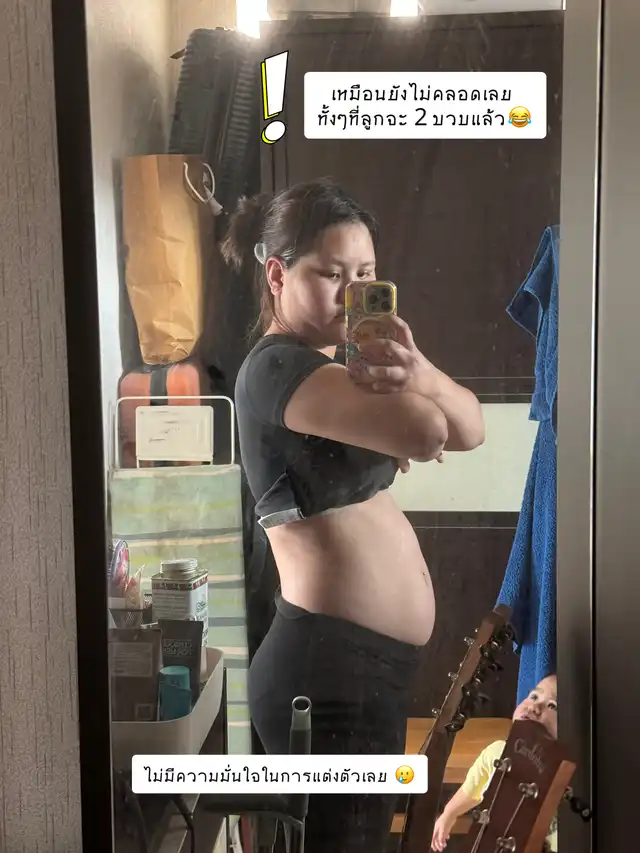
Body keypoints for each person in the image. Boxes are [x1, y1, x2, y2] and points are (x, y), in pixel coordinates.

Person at [222, 178, 485, 853]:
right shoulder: (276, 369)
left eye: (365, 274)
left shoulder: (339, 366)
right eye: (330, 274)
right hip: (329, 672)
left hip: (358, 671)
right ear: (277, 276)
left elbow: (471, 427)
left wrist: (414, 367)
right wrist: (406, 386)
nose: (351, 293)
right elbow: (428, 432)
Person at [431, 674, 559, 852]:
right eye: (534, 696)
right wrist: (449, 814)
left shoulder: (566, 775)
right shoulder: (495, 753)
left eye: (552, 706)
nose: (534, 707)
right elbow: (471, 789)